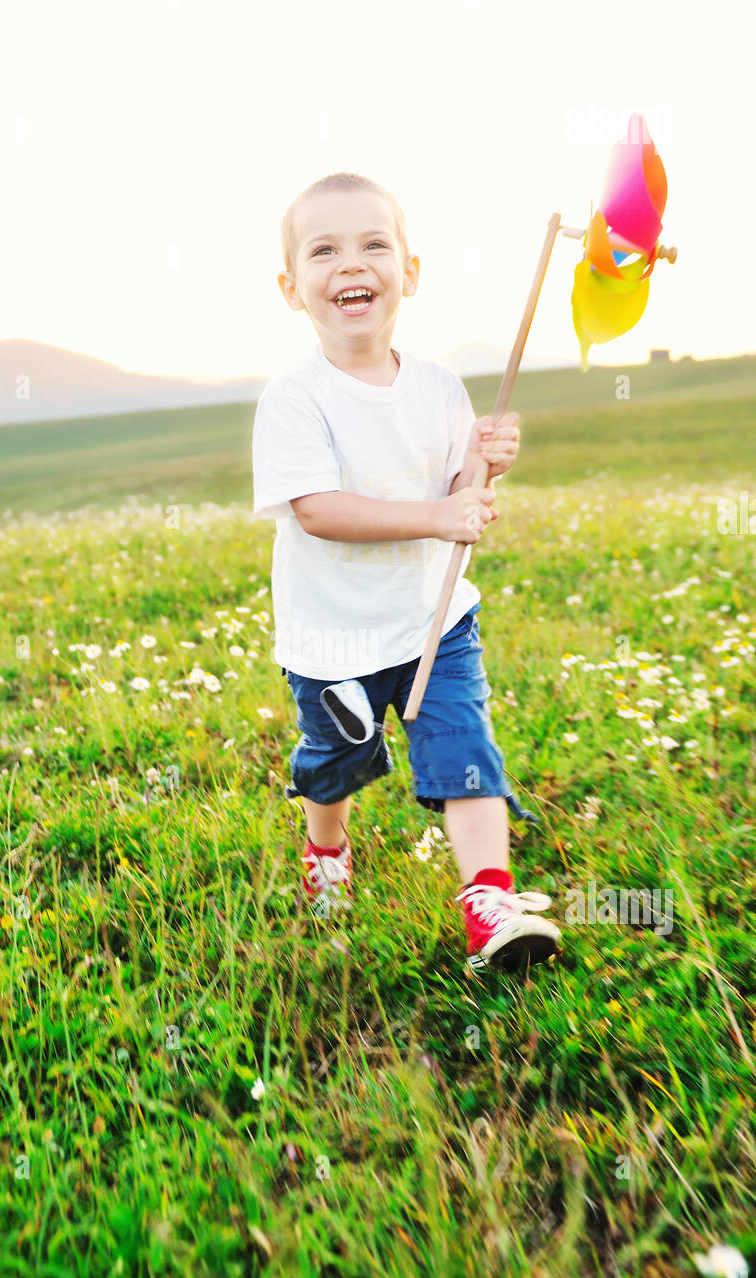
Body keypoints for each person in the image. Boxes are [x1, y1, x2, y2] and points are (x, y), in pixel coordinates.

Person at [251, 171, 561, 971]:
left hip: (434, 619)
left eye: (373, 245)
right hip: (331, 640)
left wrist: (481, 468)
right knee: (332, 768)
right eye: (324, 250)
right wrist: (438, 513)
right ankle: (327, 852)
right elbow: (317, 509)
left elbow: (460, 503)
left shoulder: (438, 386)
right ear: (293, 288)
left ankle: (489, 905)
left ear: (409, 272)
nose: (350, 264)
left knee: (466, 753)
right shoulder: (294, 400)